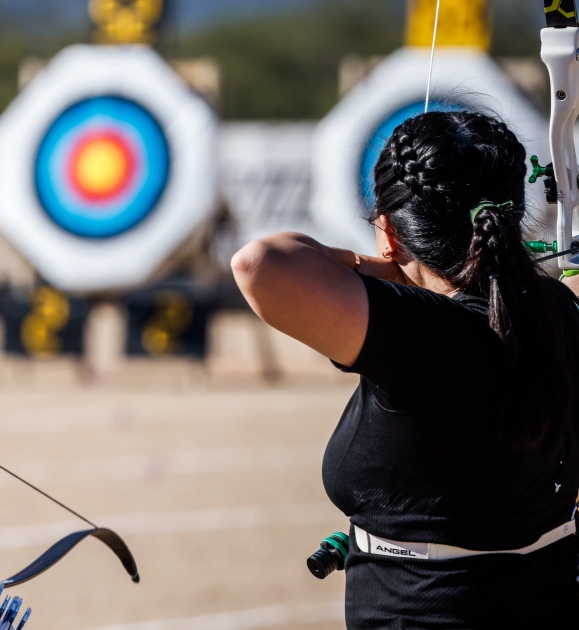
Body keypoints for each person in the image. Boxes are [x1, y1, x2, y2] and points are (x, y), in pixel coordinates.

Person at [232, 111, 579, 627]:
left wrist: (375, 265)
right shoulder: (561, 309)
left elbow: (258, 263)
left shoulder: (422, 333)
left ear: (390, 231)